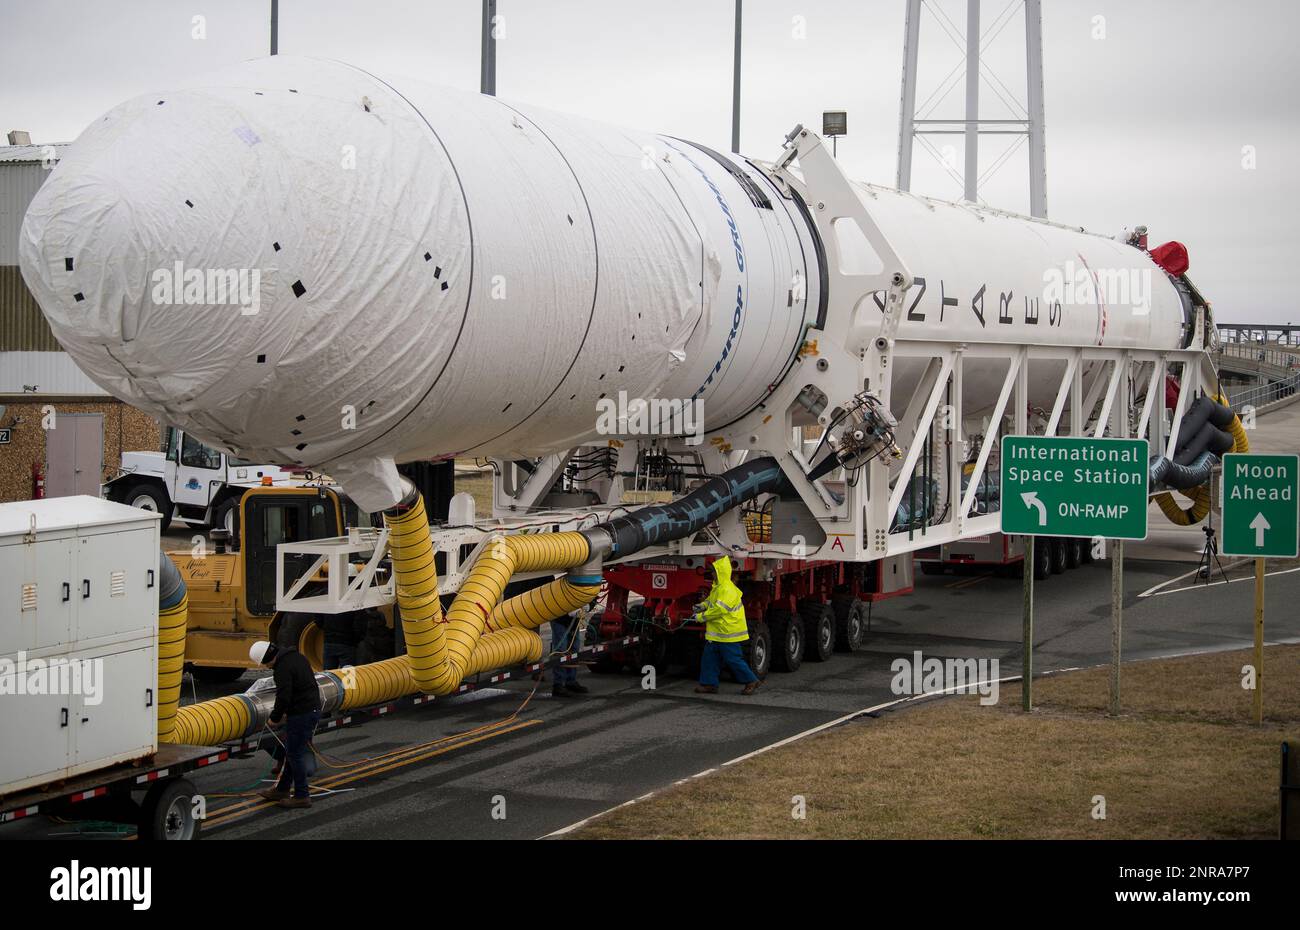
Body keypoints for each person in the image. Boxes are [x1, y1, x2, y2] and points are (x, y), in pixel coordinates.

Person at [250, 640, 322, 808]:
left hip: (302, 714)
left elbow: (283, 697)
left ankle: (302, 796)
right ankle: (282, 789)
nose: (267, 667)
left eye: (265, 663)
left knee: (295, 755)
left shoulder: (282, 668)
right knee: (292, 752)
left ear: (268, 657)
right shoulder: (297, 656)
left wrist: (274, 718)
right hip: (310, 709)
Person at [694, 556, 761, 695]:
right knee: (709, 658)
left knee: (733, 659)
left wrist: (701, 617)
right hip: (718, 632)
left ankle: (751, 680)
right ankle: (709, 684)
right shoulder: (718, 587)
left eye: (713, 572)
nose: (711, 574)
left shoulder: (726, 590)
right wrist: (702, 606)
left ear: (720, 572)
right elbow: (711, 602)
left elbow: (719, 610)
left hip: (727, 632)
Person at [549, 614, 589, 697]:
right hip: (559, 619)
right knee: (561, 652)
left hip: (574, 620)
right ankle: (558, 685)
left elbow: (592, 601)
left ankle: (571, 681)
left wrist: (589, 607)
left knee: (574, 650)